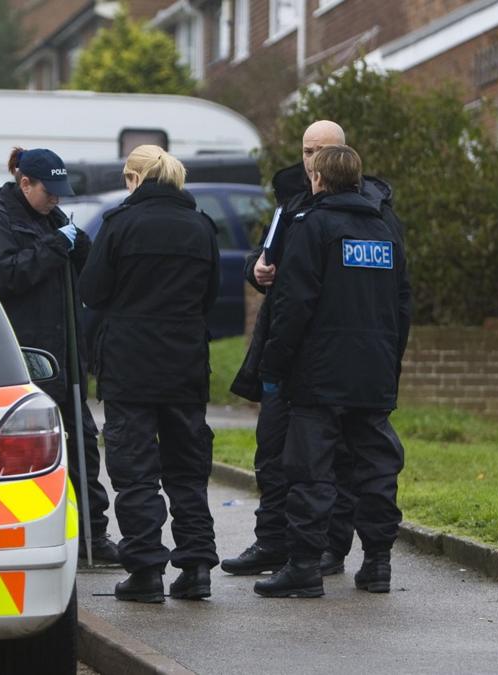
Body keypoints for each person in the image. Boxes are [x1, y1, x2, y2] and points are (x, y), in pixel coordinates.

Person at [251, 145, 411, 598]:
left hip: (319, 375)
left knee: (310, 471)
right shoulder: (385, 230)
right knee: (377, 471)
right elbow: (402, 304)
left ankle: (304, 566)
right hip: (373, 373)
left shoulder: (312, 226)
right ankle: (377, 564)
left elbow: (293, 304)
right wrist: (390, 362)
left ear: (318, 180)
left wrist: (276, 365)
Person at [0, 147, 119, 565]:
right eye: (49, 191)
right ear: (24, 182)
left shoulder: (49, 217)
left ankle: (93, 535)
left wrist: (77, 244)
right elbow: (4, 275)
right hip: (24, 357)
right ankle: (21, 535)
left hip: (64, 356)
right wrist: (54, 246)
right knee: (27, 455)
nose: (57, 199)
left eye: (60, 193)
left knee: (83, 445)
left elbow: (79, 269)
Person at [79, 145, 220, 602]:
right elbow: (210, 295)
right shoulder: (201, 227)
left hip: (130, 367)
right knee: (188, 470)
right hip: (185, 366)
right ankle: (196, 567)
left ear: (135, 178)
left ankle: (145, 572)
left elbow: (93, 291)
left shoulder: (120, 225)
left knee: (136, 473)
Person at [223, 120, 359, 578]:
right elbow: (266, 256)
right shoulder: (291, 202)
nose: (310, 161)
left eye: (320, 152)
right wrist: (255, 270)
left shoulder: (361, 209)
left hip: (326, 355)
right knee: (273, 450)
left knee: (328, 458)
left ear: (340, 155)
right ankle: (272, 542)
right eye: (305, 150)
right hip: (283, 345)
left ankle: (328, 549)